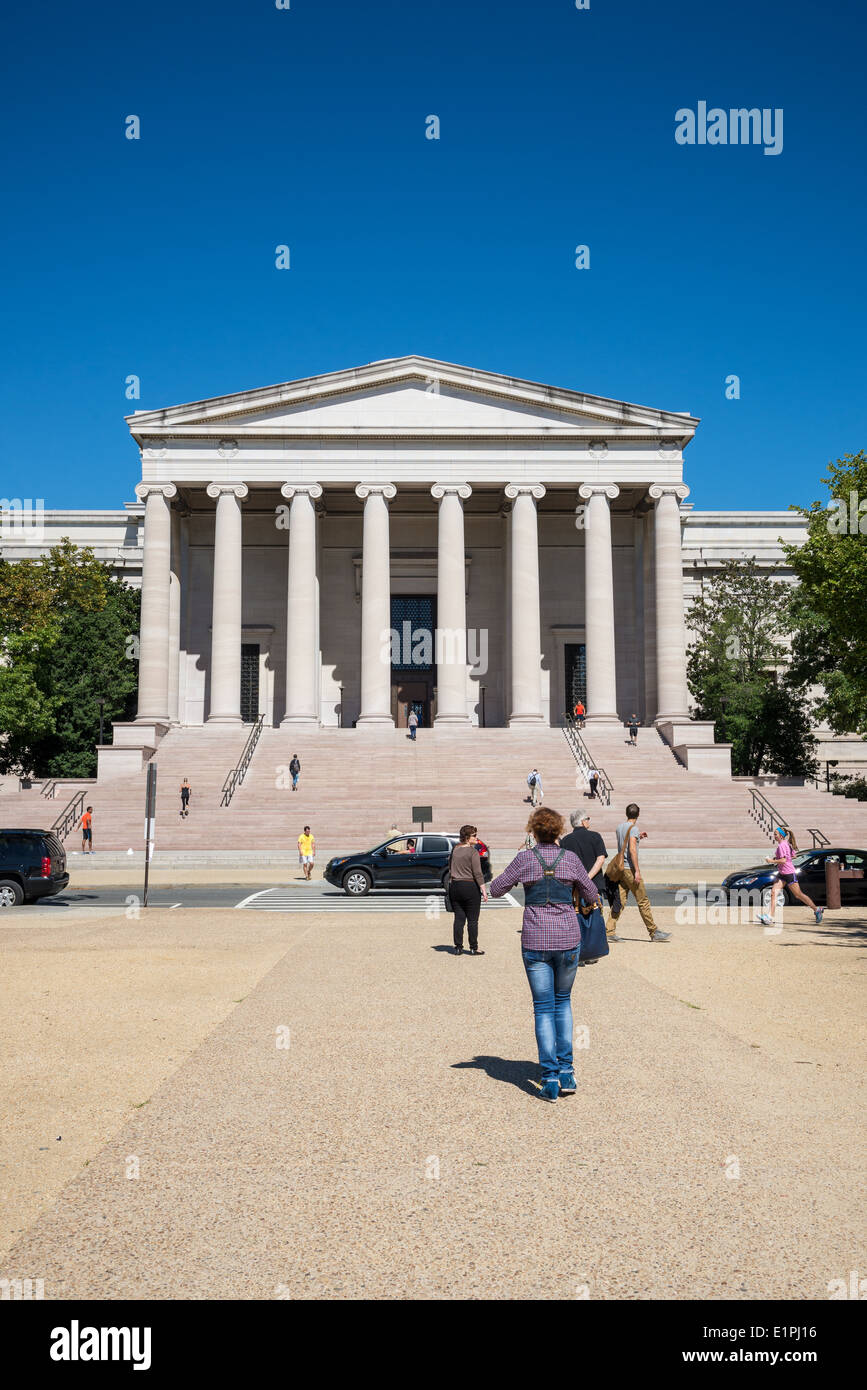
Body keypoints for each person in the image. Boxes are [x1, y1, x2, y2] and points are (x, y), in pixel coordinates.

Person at [490, 807, 600, 1101]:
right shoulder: (570, 859)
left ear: (533, 831)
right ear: (559, 831)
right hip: (567, 938)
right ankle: (567, 1072)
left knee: (543, 1008)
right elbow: (592, 894)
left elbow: (497, 888)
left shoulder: (526, 858)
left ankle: (549, 1077)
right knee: (563, 1002)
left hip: (536, 939)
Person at [608, 802, 671, 942]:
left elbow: (626, 842)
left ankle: (609, 930)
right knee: (643, 901)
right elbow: (632, 850)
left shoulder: (619, 827)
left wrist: (637, 837)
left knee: (621, 901)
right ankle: (653, 932)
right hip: (629, 869)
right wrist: (637, 871)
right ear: (638, 815)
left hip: (620, 870)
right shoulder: (634, 828)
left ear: (626, 813)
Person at [758, 827, 824, 927]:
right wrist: (779, 858)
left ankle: (817, 909)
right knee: (773, 892)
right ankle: (769, 917)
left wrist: (772, 861)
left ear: (781, 835)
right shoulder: (786, 844)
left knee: (798, 895)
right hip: (782, 873)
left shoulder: (782, 845)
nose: (774, 836)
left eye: (776, 834)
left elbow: (784, 860)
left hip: (788, 873)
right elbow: (793, 856)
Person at [449, 824, 488, 956]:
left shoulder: (455, 849)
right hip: (470, 886)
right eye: (474, 835)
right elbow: (478, 873)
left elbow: (450, 868)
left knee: (459, 919)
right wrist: (483, 890)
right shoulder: (473, 852)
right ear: (467, 837)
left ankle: (458, 947)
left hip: (455, 886)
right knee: (472, 920)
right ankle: (473, 947)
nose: (477, 838)